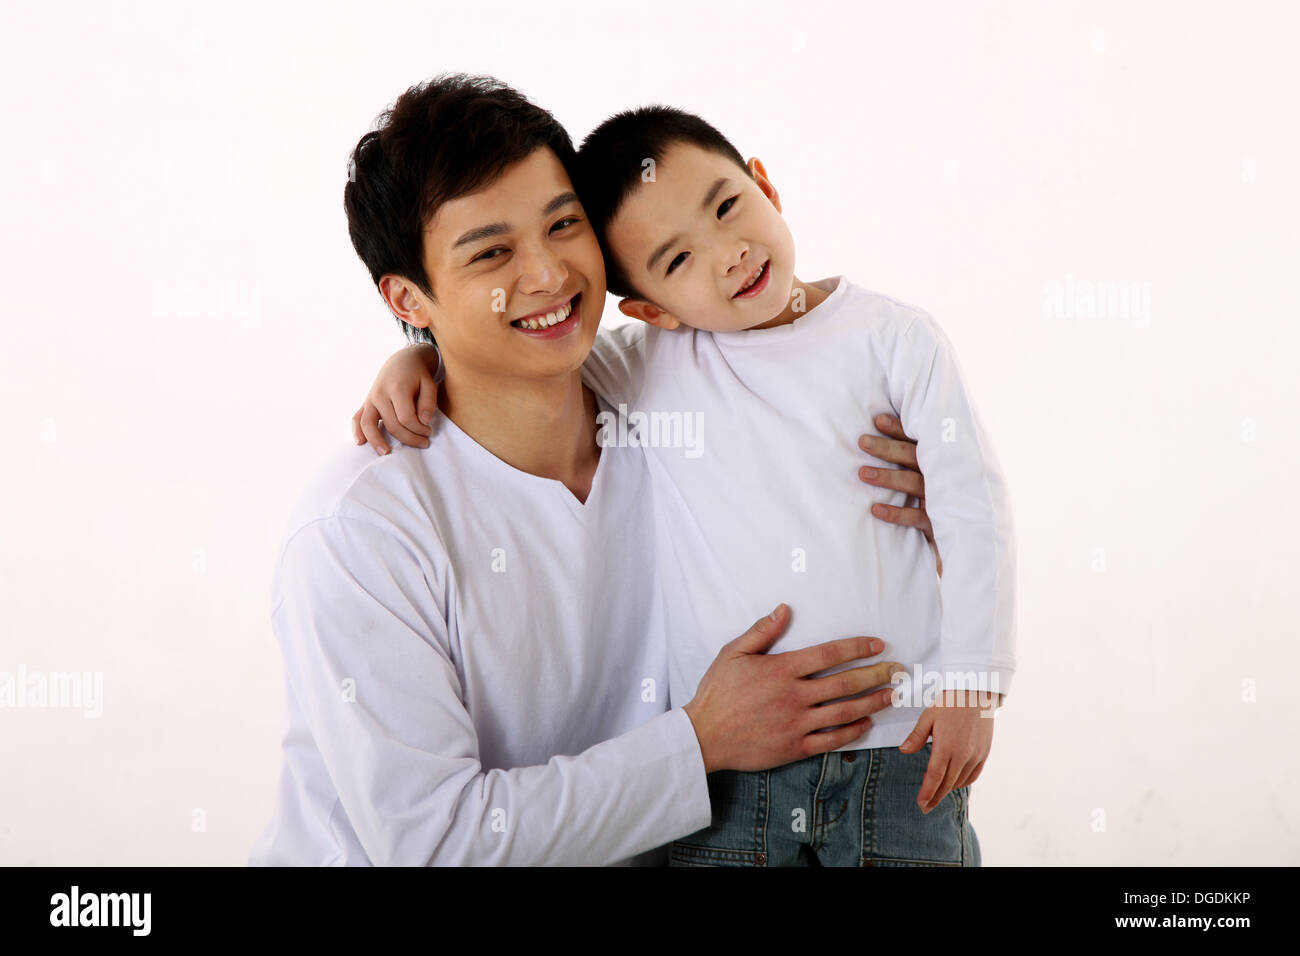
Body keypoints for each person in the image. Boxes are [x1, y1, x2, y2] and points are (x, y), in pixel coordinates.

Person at [250, 75, 927, 867]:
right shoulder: (357, 534)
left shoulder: (666, 392)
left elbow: (803, 356)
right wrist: (700, 741)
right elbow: (436, 845)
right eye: (493, 252)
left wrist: (909, 474)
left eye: (563, 224)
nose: (550, 275)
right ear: (409, 295)